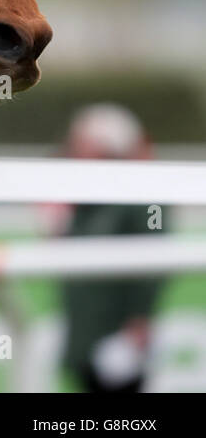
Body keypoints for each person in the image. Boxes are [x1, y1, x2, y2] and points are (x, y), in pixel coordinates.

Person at [58, 103, 169, 393]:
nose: (74, 154)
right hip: (86, 334)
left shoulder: (142, 197)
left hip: (119, 335)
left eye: (84, 146)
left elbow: (155, 261)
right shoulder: (84, 200)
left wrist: (139, 321)